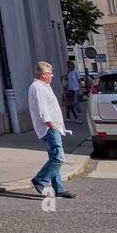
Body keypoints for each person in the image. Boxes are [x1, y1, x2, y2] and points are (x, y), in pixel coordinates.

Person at [28, 61, 75, 199]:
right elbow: (42, 108)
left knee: (54, 158)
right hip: (48, 127)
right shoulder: (38, 87)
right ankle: (40, 180)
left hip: (52, 126)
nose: (52, 75)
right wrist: (50, 124)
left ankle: (59, 188)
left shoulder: (43, 86)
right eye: (50, 73)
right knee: (58, 157)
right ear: (43, 74)